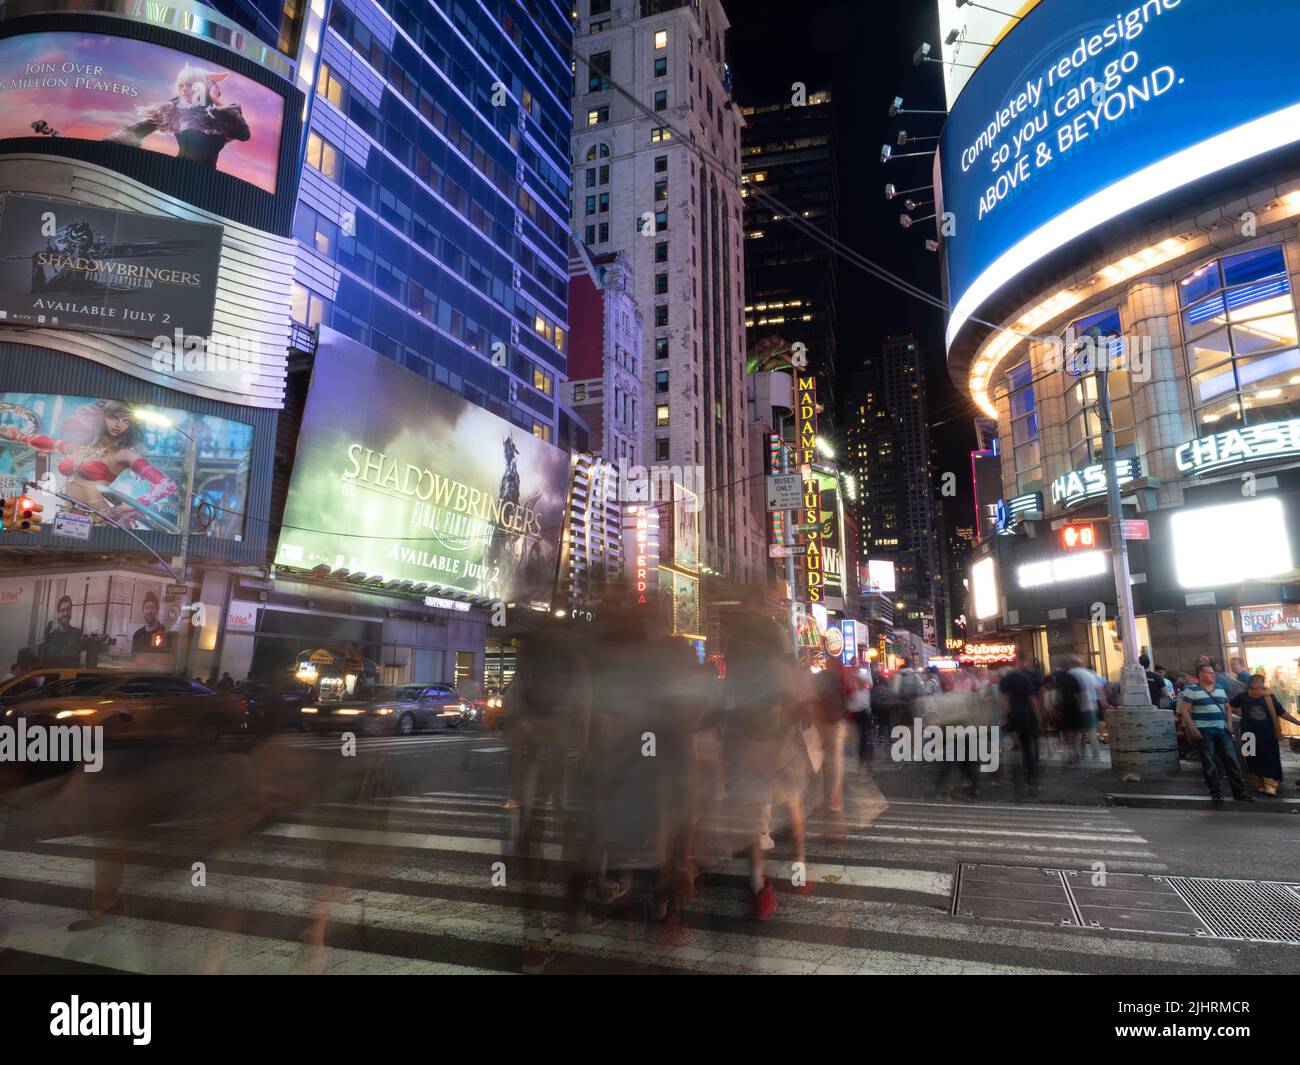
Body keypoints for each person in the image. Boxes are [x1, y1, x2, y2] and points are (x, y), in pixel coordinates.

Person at [1, 400, 177, 525]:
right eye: (114, 417)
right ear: (103, 418)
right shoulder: (79, 447)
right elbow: (49, 443)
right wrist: (17, 436)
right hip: (66, 515)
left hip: (99, 518)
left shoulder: (124, 454)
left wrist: (135, 505)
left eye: (126, 421)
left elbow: (167, 484)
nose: (119, 424)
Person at [106, 65, 251, 168]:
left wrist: (214, 98)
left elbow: (243, 134)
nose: (183, 89)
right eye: (181, 85)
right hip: (174, 175)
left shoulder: (221, 119)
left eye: (190, 85)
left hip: (205, 183)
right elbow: (135, 131)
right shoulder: (177, 113)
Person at [1177, 662, 1252, 804]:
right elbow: (1185, 710)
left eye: (1213, 672)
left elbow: (1227, 707)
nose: (1213, 675)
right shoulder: (1191, 690)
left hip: (1222, 730)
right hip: (1204, 731)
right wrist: (1192, 728)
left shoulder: (1219, 688)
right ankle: (1216, 792)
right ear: (1200, 675)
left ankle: (1239, 792)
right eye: (1209, 673)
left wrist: (1229, 724)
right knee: (1209, 762)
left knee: (1231, 761)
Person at [1229, 674, 1285, 795]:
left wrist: (1297, 722)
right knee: (1250, 757)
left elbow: (1281, 712)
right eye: (1252, 680)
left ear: (1262, 683)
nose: (1253, 682)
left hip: (1267, 734)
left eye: (1256, 681)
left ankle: (1270, 784)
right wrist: (1238, 712)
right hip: (1247, 732)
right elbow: (1229, 706)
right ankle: (1259, 783)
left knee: (1269, 758)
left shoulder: (1269, 697)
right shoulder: (1243, 696)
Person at [999, 654, 1040, 793]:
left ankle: (1013, 772)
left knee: (1010, 745)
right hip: (1024, 715)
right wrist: (1038, 717)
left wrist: (1005, 716)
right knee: (1027, 746)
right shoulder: (1025, 679)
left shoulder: (1005, 680)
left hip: (1011, 716)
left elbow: (1004, 700)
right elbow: (1032, 700)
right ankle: (1029, 773)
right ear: (1022, 662)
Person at [38, 594, 83, 666]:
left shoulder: (77, 634)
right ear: (58, 613)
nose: (65, 614)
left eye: (68, 609)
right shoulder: (51, 637)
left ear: (71, 611)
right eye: (62, 610)